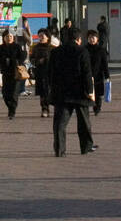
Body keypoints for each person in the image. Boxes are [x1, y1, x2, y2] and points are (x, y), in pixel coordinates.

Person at [49, 28, 97, 156]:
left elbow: (50, 74)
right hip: (80, 92)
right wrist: (89, 91)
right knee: (84, 122)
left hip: (62, 92)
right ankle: (86, 146)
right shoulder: (82, 51)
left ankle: (60, 150)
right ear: (78, 39)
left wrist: (52, 91)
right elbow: (87, 73)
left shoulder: (55, 52)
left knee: (60, 123)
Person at [0, 28, 27, 119]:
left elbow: (22, 57)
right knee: (5, 94)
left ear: (13, 37)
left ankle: (12, 111)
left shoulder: (17, 46)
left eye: (11, 36)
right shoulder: (0, 48)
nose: (9, 38)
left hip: (16, 73)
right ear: (3, 38)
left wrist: (15, 61)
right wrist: (4, 60)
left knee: (14, 93)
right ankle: (10, 107)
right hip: (5, 73)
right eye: (7, 36)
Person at [86, 29, 110, 116]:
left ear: (97, 39)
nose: (91, 39)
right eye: (90, 37)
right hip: (87, 75)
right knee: (87, 92)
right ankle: (88, 106)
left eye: (93, 37)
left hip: (98, 75)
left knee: (98, 93)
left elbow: (105, 64)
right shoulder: (84, 49)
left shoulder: (101, 50)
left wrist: (107, 76)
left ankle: (97, 108)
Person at [30, 30, 53, 118]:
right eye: (39, 36)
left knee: (50, 91)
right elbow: (31, 60)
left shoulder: (52, 48)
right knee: (43, 92)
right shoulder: (35, 48)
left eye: (43, 36)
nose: (41, 37)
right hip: (40, 72)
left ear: (47, 37)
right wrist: (38, 61)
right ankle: (44, 109)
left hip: (51, 73)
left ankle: (52, 107)